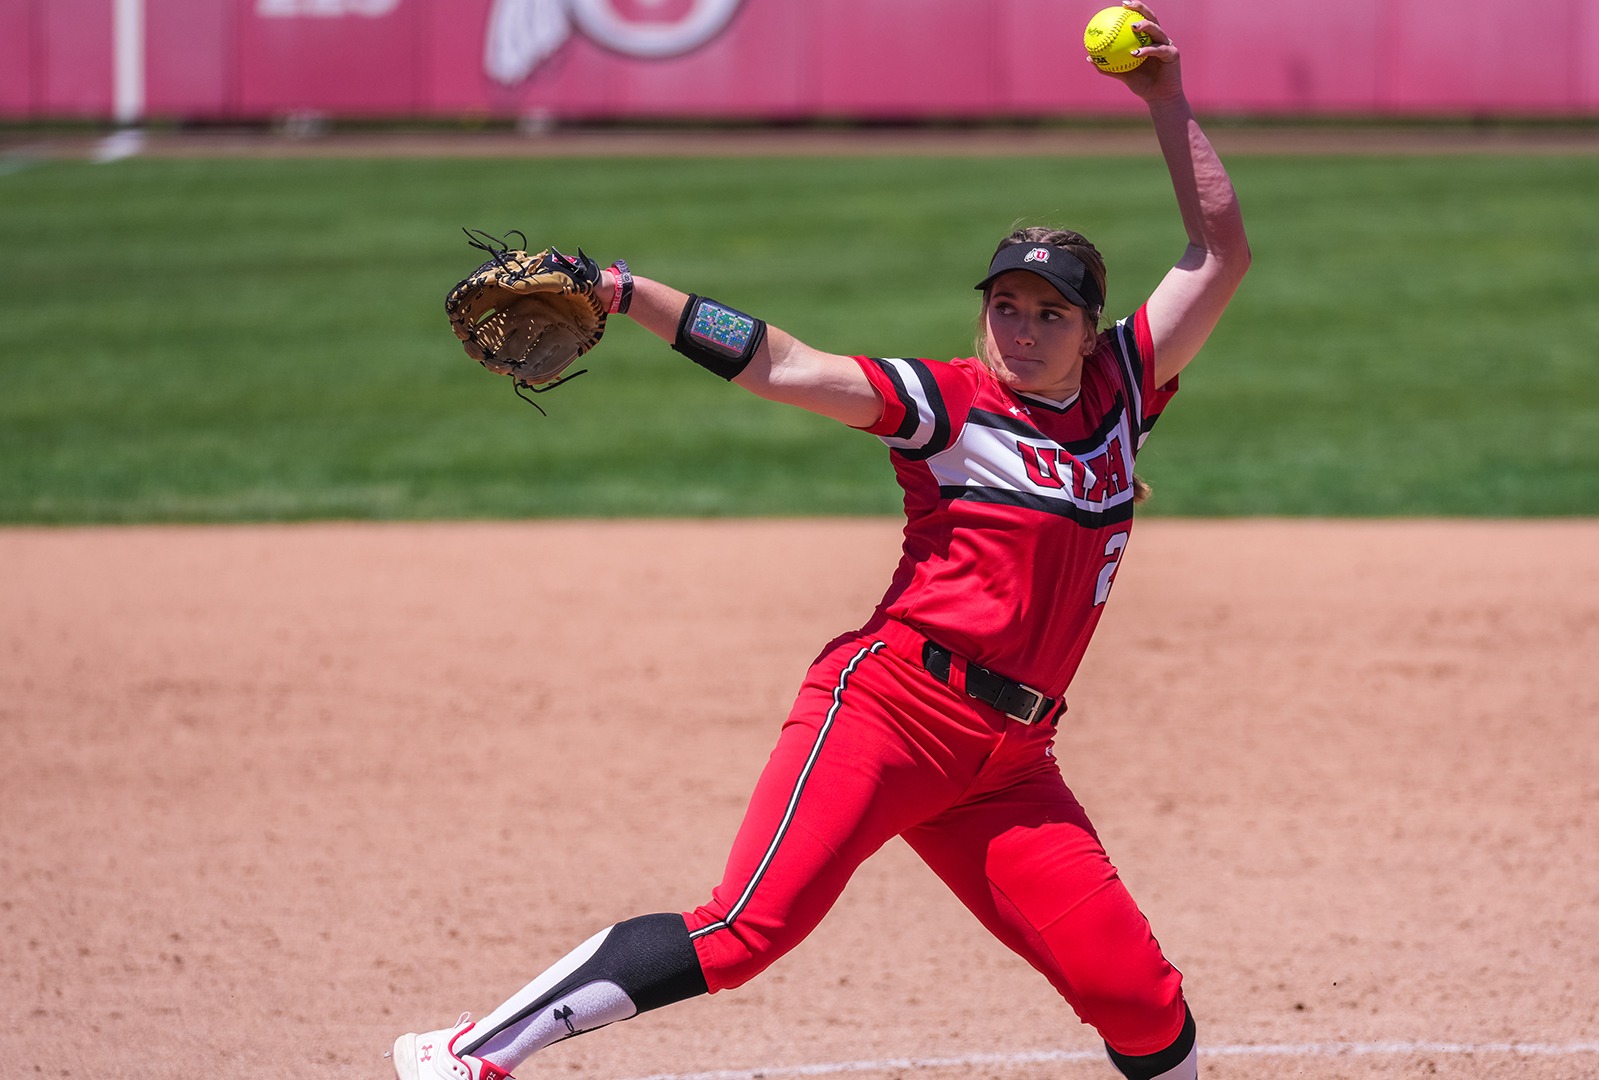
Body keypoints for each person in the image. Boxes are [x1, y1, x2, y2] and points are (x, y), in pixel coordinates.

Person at [392, 4, 1249, 1078]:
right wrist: (623, 290)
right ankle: (467, 1054)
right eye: (1007, 305)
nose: (1023, 329)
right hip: (892, 713)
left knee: (1142, 1003)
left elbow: (1220, 250)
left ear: (1090, 328)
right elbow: (786, 364)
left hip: (1011, 765)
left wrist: (1167, 101)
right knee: (745, 930)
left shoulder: (1124, 390)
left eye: (1050, 313)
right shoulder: (947, 404)